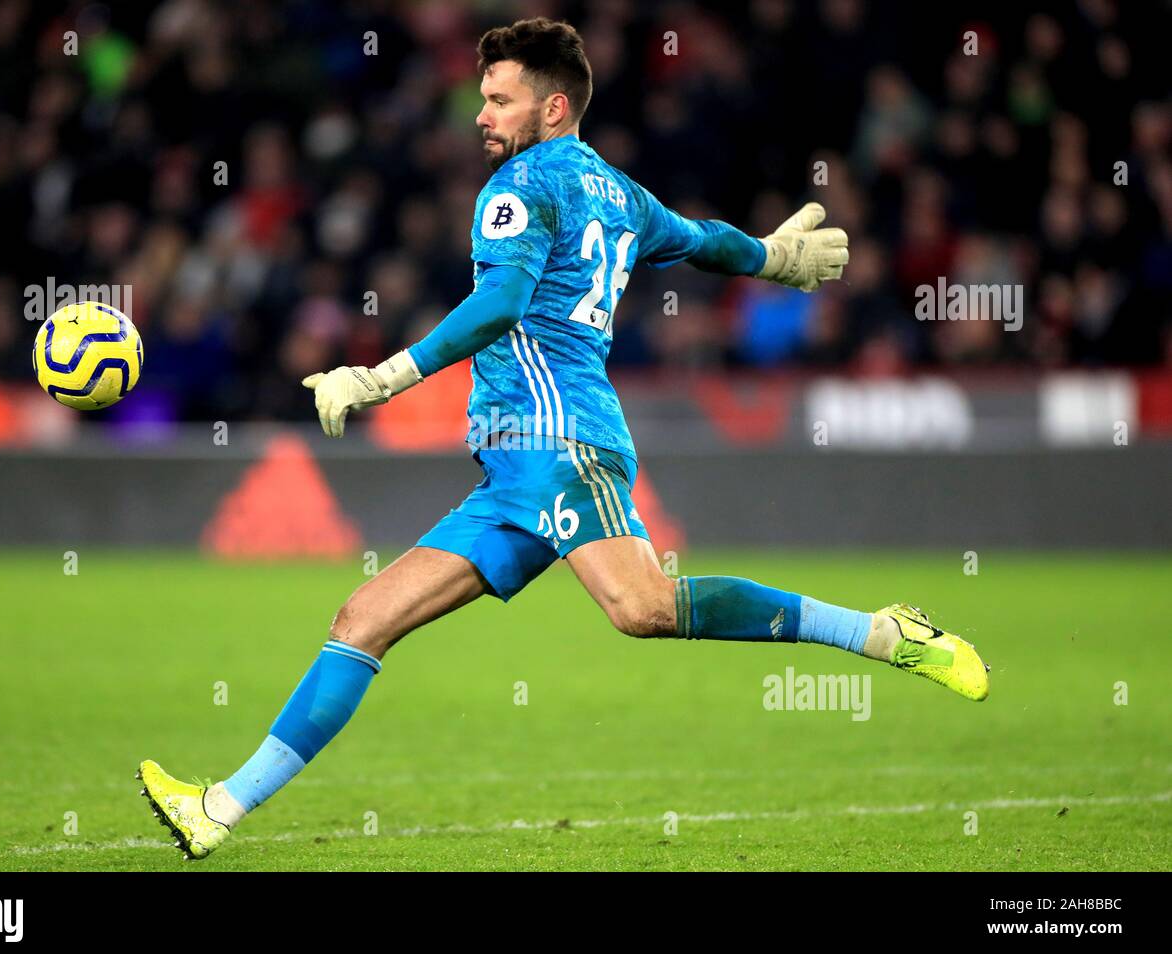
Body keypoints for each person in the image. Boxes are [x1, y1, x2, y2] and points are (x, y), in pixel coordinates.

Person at [138, 17, 989, 860]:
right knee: (362, 617)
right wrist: (768, 255)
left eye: (499, 99)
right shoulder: (620, 192)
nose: (481, 115)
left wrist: (378, 377)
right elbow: (700, 241)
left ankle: (878, 634)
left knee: (644, 607)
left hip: (558, 439)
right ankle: (220, 806)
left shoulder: (518, 188)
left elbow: (501, 304)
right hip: (516, 469)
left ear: (551, 108)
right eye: (481, 98)